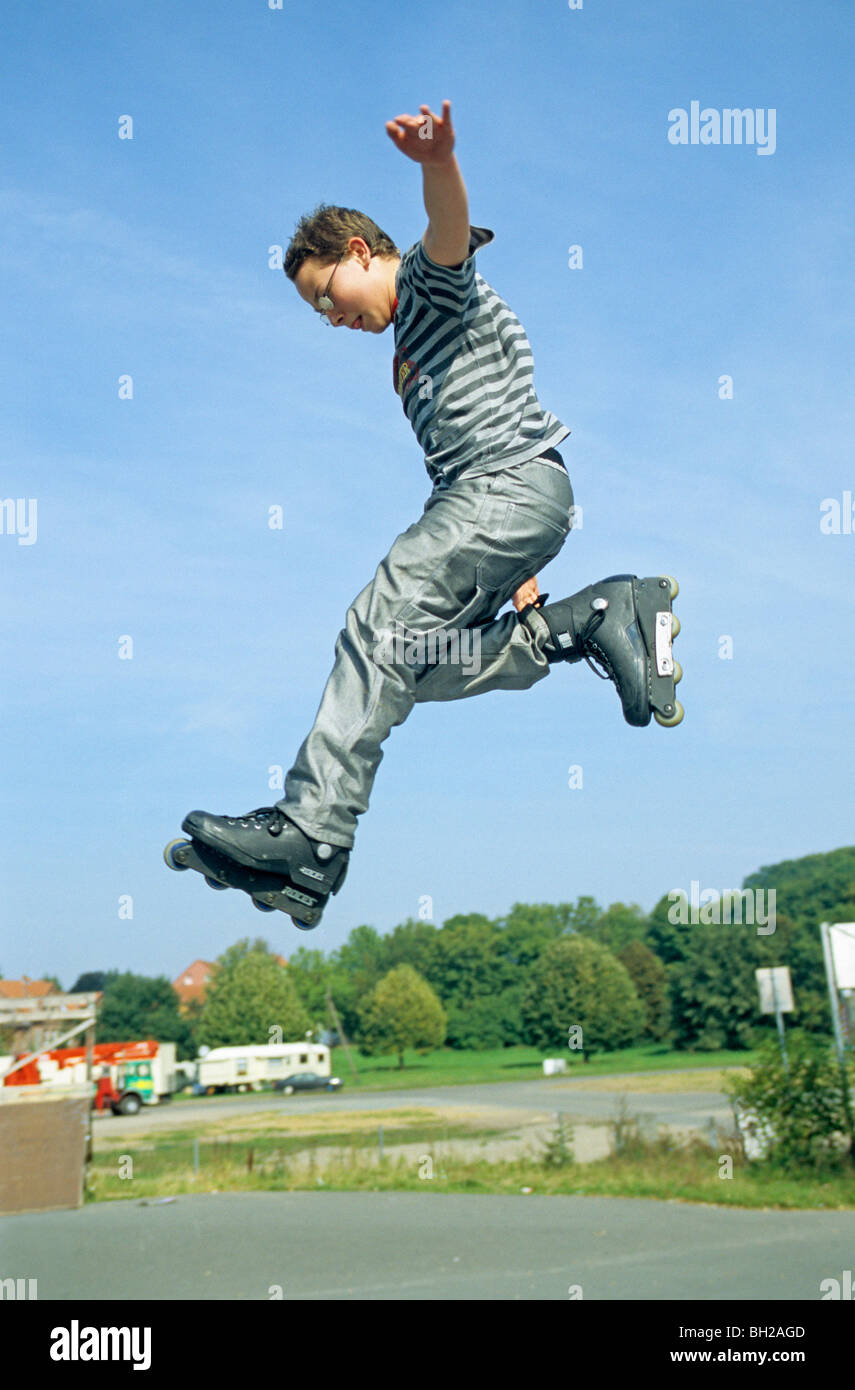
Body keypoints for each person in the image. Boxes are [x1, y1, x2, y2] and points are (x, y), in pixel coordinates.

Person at [178, 101, 682, 928]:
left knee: (371, 623)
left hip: (504, 488)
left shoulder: (425, 289)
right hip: (497, 506)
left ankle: (312, 833)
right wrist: (519, 574)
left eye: (327, 295)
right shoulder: (405, 361)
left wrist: (436, 161)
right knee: (404, 664)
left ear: (358, 252)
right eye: (317, 314)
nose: (331, 317)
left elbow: (447, 227)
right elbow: (463, 458)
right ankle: (581, 622)